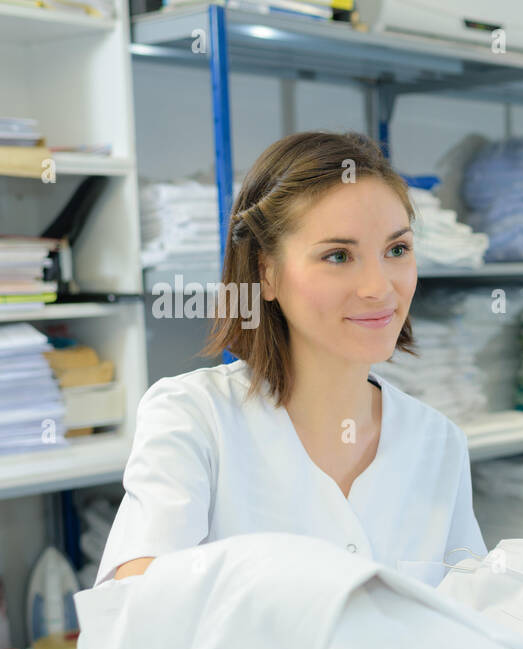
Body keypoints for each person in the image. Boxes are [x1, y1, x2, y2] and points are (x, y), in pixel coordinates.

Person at [96, 131, 486, 588]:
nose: (379, 287)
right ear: (267, 274)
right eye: (338, 256)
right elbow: (141, 608)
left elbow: (468, 614)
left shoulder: (438, 443)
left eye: (396, 249)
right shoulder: (194, 420)